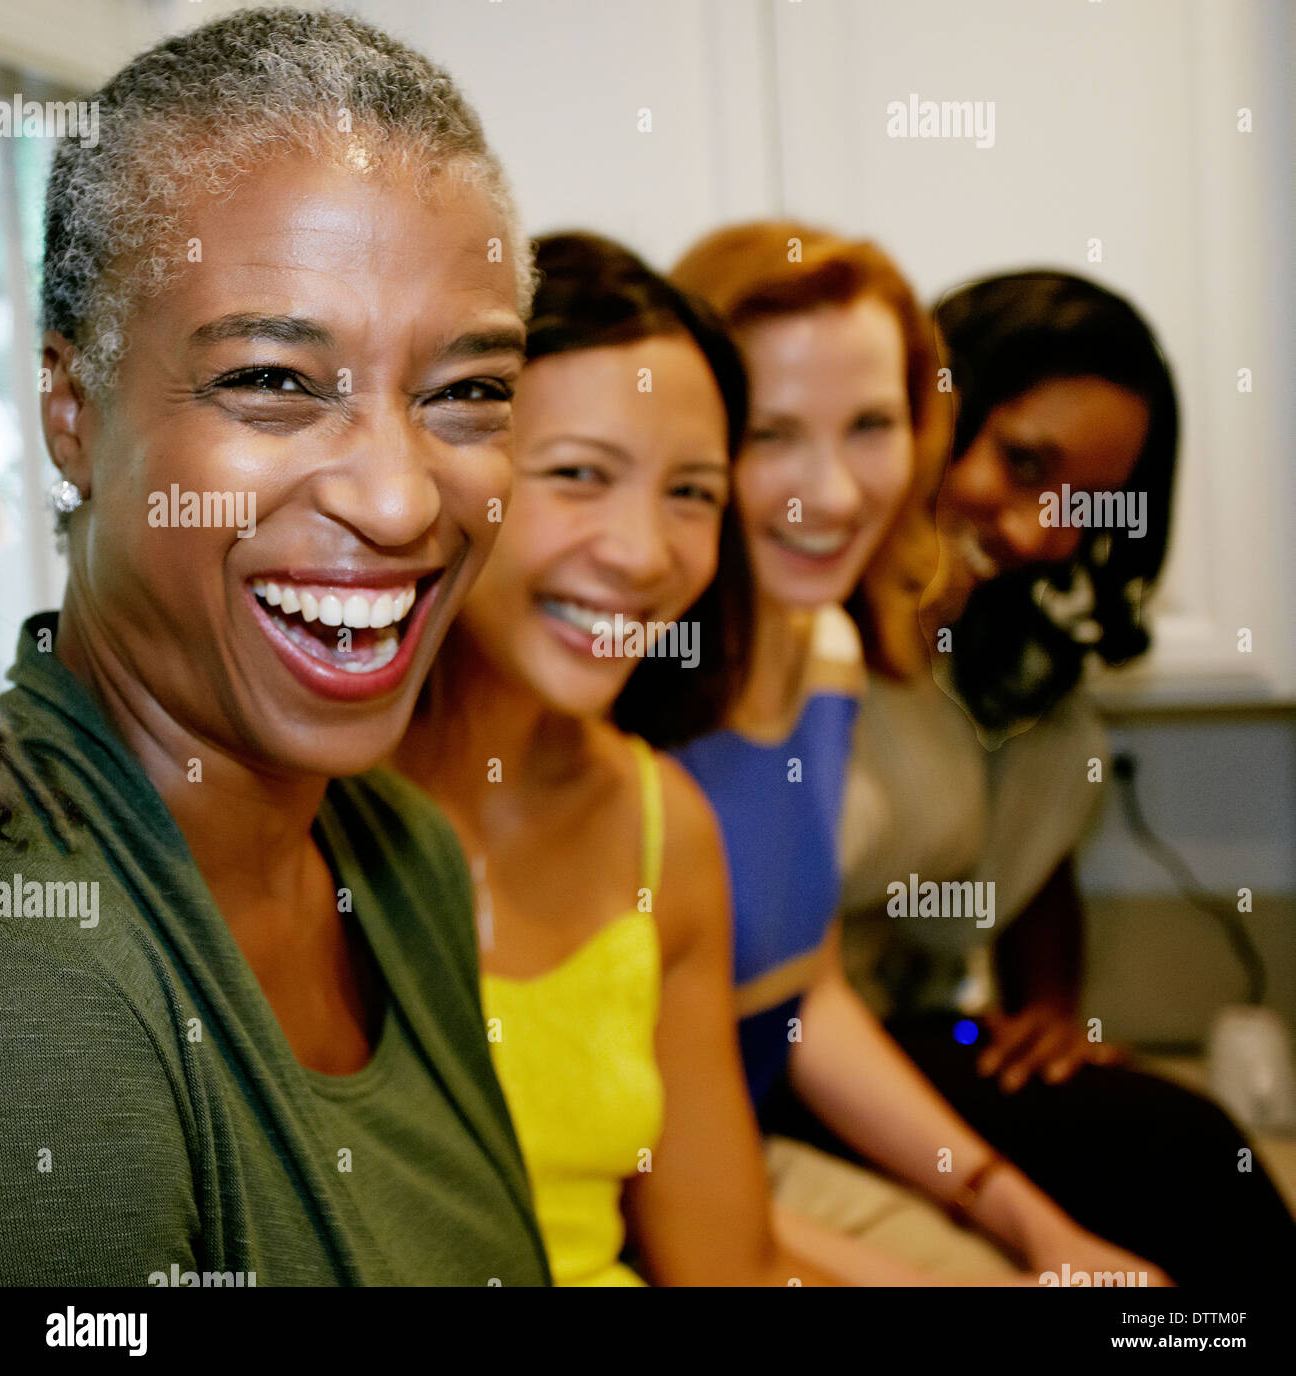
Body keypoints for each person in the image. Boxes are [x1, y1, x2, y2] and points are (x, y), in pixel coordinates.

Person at [0, 7, 550, 1285]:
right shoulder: (41, 991)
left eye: (467, 392)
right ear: (72, 416)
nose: (402, 499)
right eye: (276, 382)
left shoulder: (392, 851)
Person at [394, 232, 1033, 1286]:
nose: (644, 553)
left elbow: (721, 1257)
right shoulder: (297, 809)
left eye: (691, 491)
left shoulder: (662, 821)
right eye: (579, 474)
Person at [669, 223, 1169, 1282]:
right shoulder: (621, 676)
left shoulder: (829, 652)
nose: (837, 491)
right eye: (771, 432)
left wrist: (1032, 1227)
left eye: (870, 427)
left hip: (803, 1100)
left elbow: (800, 993)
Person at [838, 270, 1296, 1284]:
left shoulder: (1010, 655)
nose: (1042, 532)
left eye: (1083, 506)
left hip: (898, 1037)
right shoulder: (804, 628)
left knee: (1186, 1159)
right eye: (1020, 462)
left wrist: (1049, 1003)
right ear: (927, 410)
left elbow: (1030, 827)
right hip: (785, 1058)